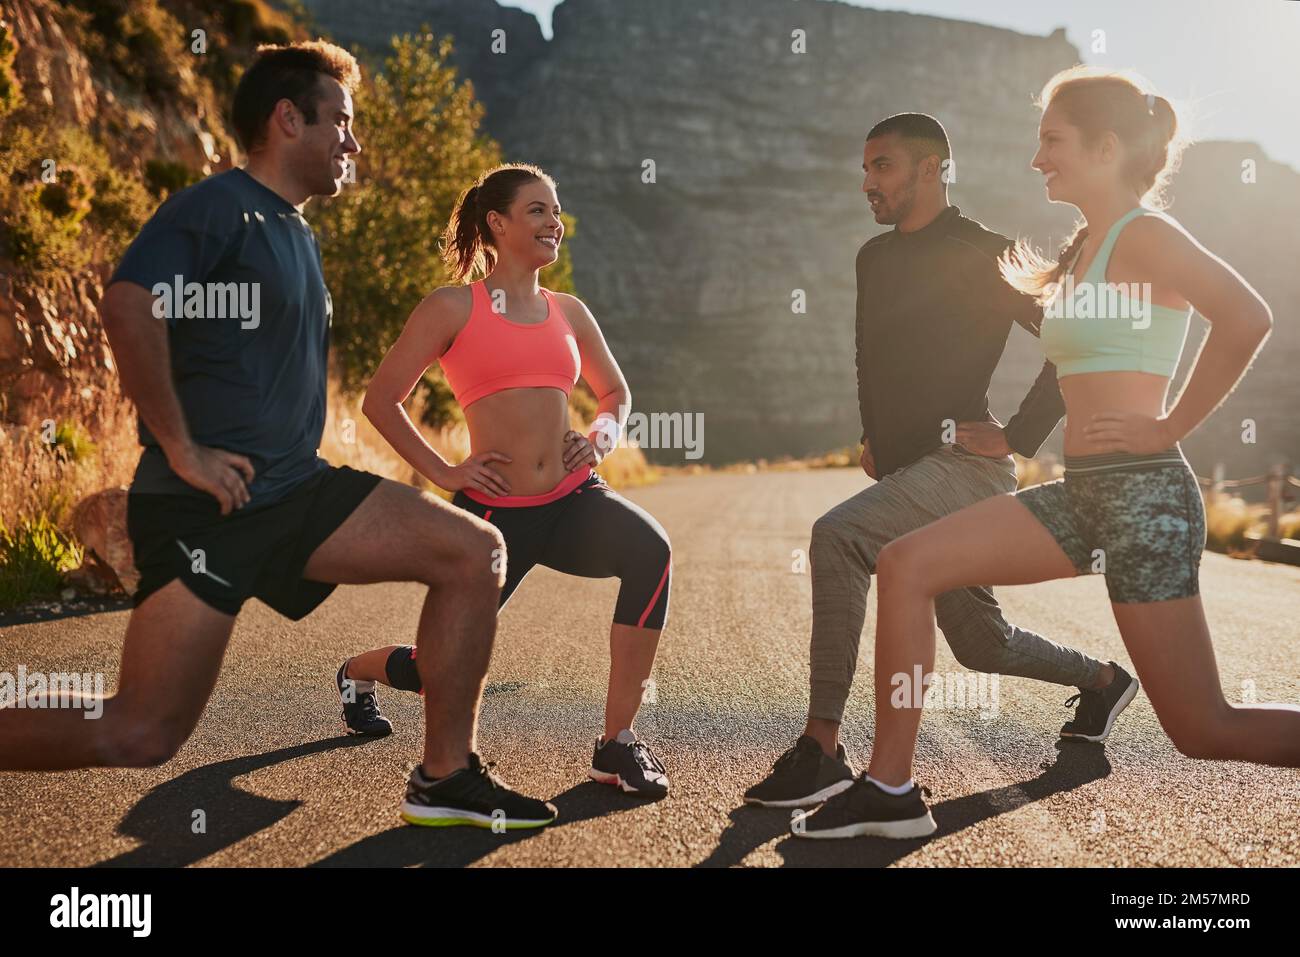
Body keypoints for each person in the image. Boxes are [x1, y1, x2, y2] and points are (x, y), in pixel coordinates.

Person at [0, 41, 558, 831]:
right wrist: (183, 449)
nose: (353, 144)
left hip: (297, 491)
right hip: (206, 509)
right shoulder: (217, 207)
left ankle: (445, 775)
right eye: (342, 123)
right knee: (142, 730)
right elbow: (131, 304)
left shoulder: (294, 230)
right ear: (287, 119)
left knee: (474, 554)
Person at [800, 68, 1299, 841]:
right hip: (1082, 494)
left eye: (1052, 142)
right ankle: (891, 787)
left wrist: (1168, 425)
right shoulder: (1086, 246)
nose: (1037, 159)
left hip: (1144, 499)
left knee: (1203, 728)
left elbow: (1246, 315)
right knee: (906, 563)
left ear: (1105, 148)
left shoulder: (1145, 234)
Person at [744, 113, 1133, 811]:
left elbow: (1076, 334)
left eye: (882, 166)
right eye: (864, 169)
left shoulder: (986, 253)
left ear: (931, 170)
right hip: (908, 473)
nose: (868, 182)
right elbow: (871, 355)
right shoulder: (875, 257)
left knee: (837, 536)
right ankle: (1104, 682)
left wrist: (1018, 434)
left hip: (964, 469)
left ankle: (823, 749)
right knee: (982, 642)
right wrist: (875, 439)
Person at [334, 163, 674, 802]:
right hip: (494, 516)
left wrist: (598, 440)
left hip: (573, 500)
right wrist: (443, 472)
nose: (555, 223)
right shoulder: (451, 306)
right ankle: (358, 671)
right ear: (498, 223)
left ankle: (617, 744)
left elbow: (615, 392)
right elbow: (381, 400)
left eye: (557, 210)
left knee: (651, 552)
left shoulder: (568, 310)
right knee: (437, 670)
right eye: (539, 211)